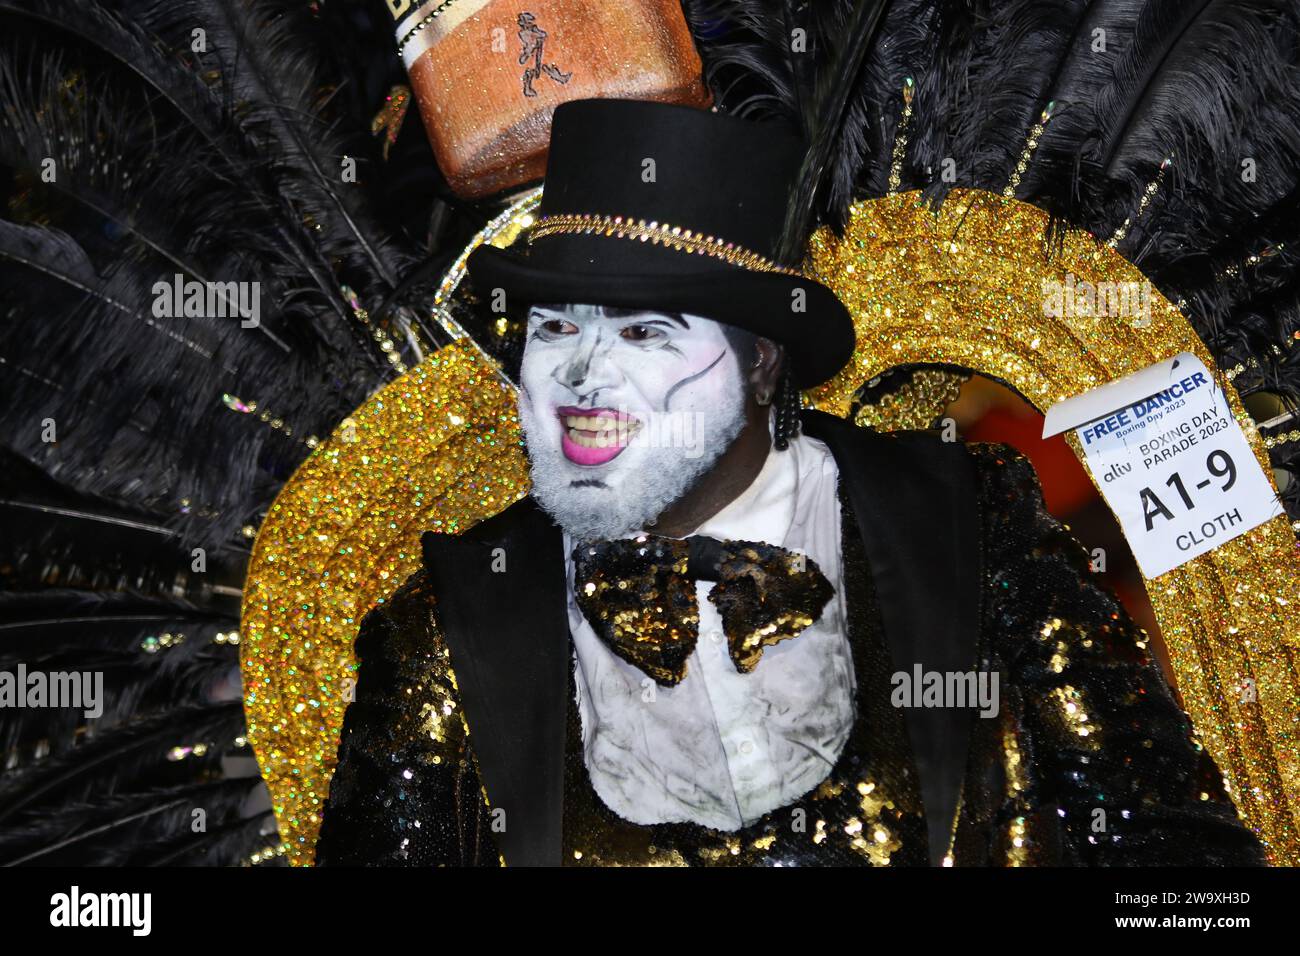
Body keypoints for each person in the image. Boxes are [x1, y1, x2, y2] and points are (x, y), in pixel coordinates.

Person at [313, 98, 1267, 867]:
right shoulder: (448, 623)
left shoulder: (967, 523)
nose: (578, 376)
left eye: (645, 331)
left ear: (761, 362)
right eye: (556, 327)